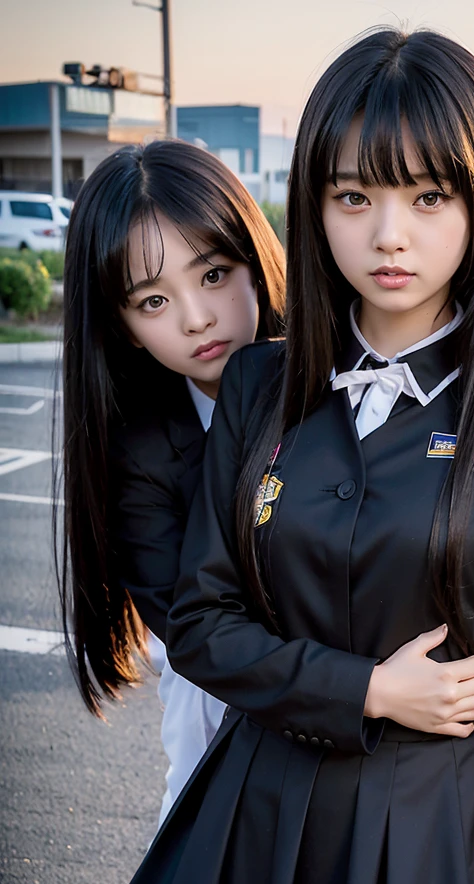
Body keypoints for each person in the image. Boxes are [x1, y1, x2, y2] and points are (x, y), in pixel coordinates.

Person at [80, 28, 474, 884]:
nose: (388, 235)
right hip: (263, 808)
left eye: (427, 197)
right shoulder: (263, 381)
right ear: (313, 206)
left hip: (434, 825)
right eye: (354, 197)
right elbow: (209, 625)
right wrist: (370, 688)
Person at [57, 139, 286, 823]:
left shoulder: (351, 382)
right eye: (153, 301)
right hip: (225, 730)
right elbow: (200, 640)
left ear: (253, 259)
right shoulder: (136, 453)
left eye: (212, 274)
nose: (196, 318)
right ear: (122, 326)